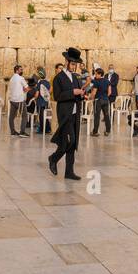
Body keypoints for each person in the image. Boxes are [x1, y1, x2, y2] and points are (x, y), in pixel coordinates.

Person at [48, 47, 84, 179]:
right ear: (66, 61)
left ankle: (69, 171)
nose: (74, 67)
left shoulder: (75, 78)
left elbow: (76, 93)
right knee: (69, 141)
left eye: (76, 64)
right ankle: (53, 158)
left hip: (75, 114)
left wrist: (81, 95)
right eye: (73, 64)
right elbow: (57, 96)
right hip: (65, 114)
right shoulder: (59, 78)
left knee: (73, 143)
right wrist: (73, 92)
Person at [7, 64, 30, 136]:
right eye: (21, 70)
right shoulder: (21, 78)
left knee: (11, 116)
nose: (22, 71)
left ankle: (12, 131)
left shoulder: (12, 78)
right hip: (19, 100)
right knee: (24, 116)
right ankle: (22, 132)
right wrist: (29, 88)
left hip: (12, 100)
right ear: (17, 70)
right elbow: (26, 88)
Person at [90, 67, 112, 136]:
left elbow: (94, 93)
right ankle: (108, 131)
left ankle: (95, 132)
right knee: (106, 115)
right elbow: (110, 92)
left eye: (96, 74)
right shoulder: (107, 81)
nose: (95, 75)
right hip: (106, 100)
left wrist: (91, 98)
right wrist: (105, 97)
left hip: (98, 100)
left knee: (97, 116)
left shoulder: (96, 82)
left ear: (100, 74)